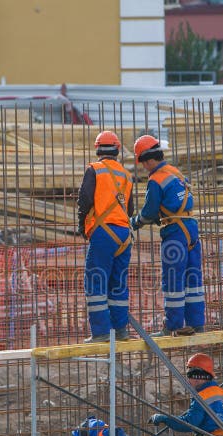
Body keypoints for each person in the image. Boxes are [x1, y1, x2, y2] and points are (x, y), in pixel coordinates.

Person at [130, 135, 205, 337]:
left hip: (175, 233)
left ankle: (173, 325)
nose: (143, 167)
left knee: (173, 280)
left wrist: (134, 222)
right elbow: (177, 200)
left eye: (142, 163)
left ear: (147, 160)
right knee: (193, 277)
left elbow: (149, 211)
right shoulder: (176, 172)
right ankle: (197, 323)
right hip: (191, 228)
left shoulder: (156, 180)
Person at [78, 130, 135, 343]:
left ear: (97, 150)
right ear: (117, 150)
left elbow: (84, 200)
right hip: (124, 234)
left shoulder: (94, 170)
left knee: (96, 280)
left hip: (105, 233)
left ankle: (101, 332)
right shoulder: (126, 175)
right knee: (118, 283)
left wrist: (83, 227)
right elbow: (129, 209)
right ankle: (120, 331)